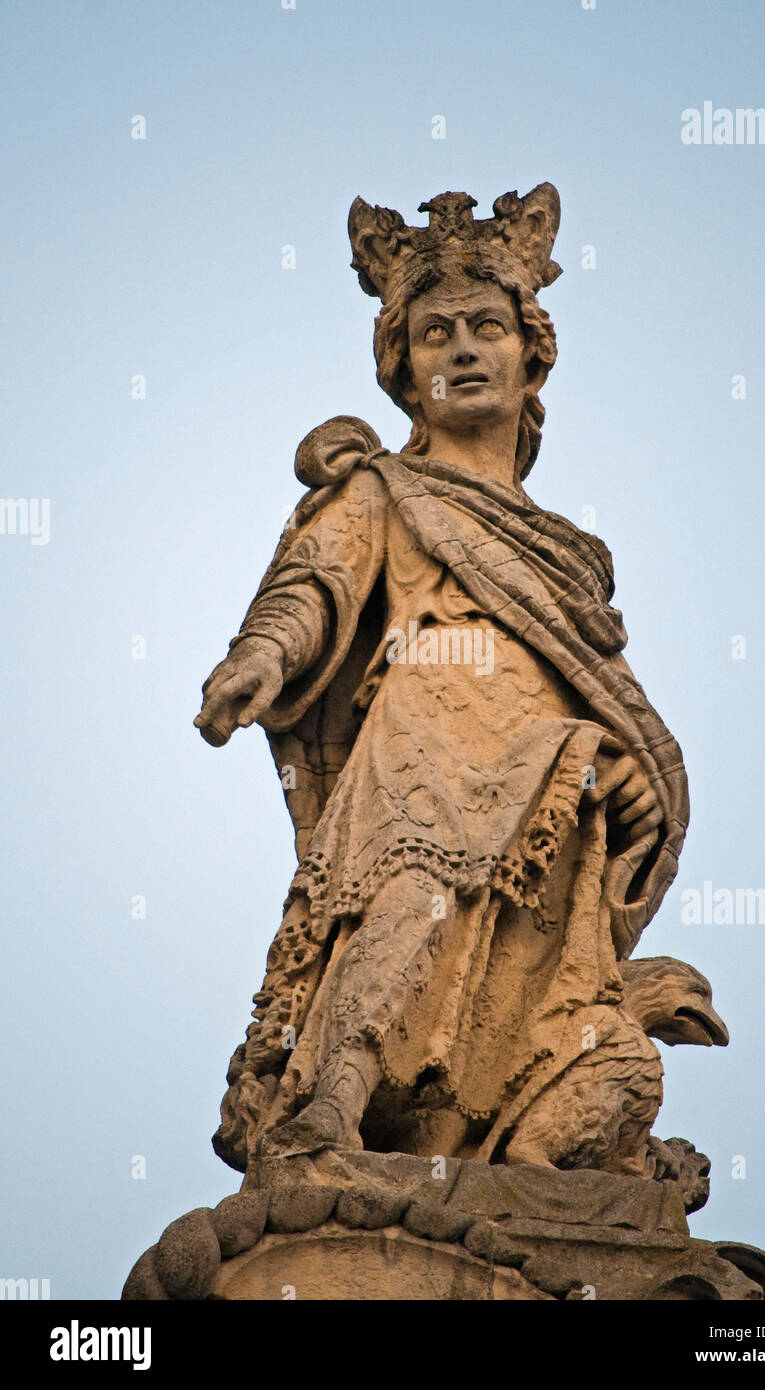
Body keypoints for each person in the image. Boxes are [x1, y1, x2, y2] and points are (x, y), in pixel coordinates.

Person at [194, 186, 688, 1172]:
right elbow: (316, 584)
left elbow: (596, 689)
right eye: (434, 333)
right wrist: (258, 659)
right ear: (405, 369)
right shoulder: (383, 488)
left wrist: (626, 776)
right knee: (404, 902)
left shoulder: (570, 553)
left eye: (485, 327)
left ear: (530, 352)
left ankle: (492, 1157)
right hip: (419, 734)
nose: (462, 348)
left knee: (543, 976)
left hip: (550, 776)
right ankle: (327, 1115)